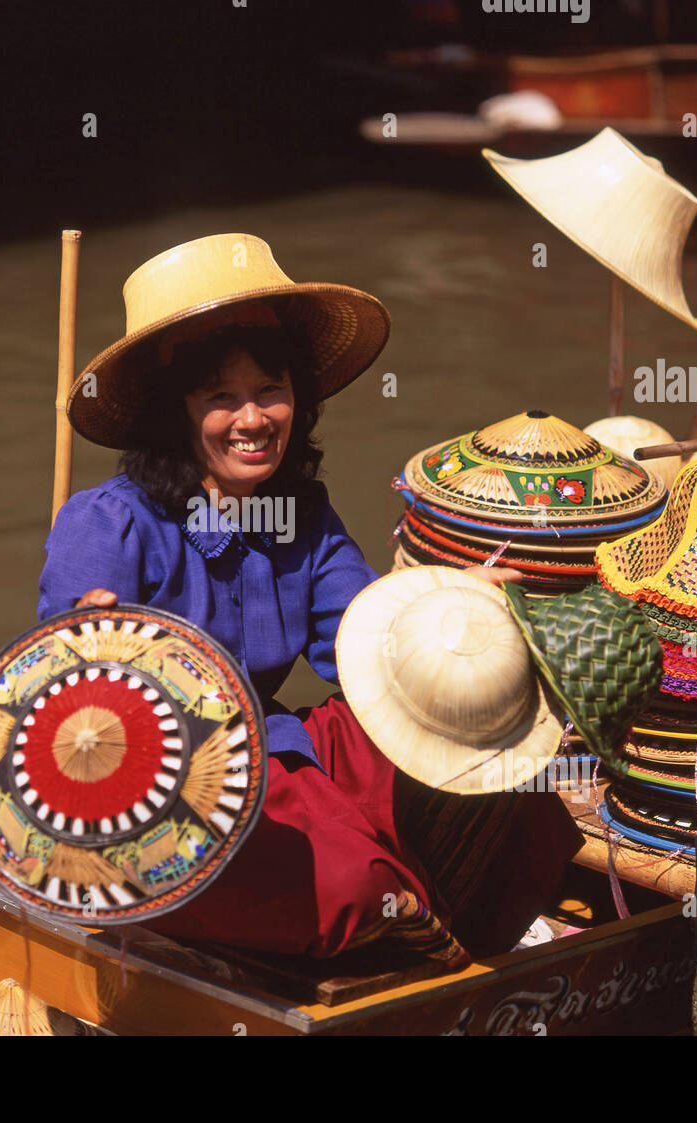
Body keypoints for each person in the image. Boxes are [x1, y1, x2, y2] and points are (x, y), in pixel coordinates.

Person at [38, 234, 582, 968]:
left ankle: (465, 919)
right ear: (177, 411)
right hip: (166, 789)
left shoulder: (302, 514)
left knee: (496, 780)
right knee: (352, 880)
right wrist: (91, 642)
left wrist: (449, 601)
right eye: (219, 397)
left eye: (270, 389)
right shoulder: (106, 521)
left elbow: (372, 639)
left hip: (276, 746)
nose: (253, 419)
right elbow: (63, 690)